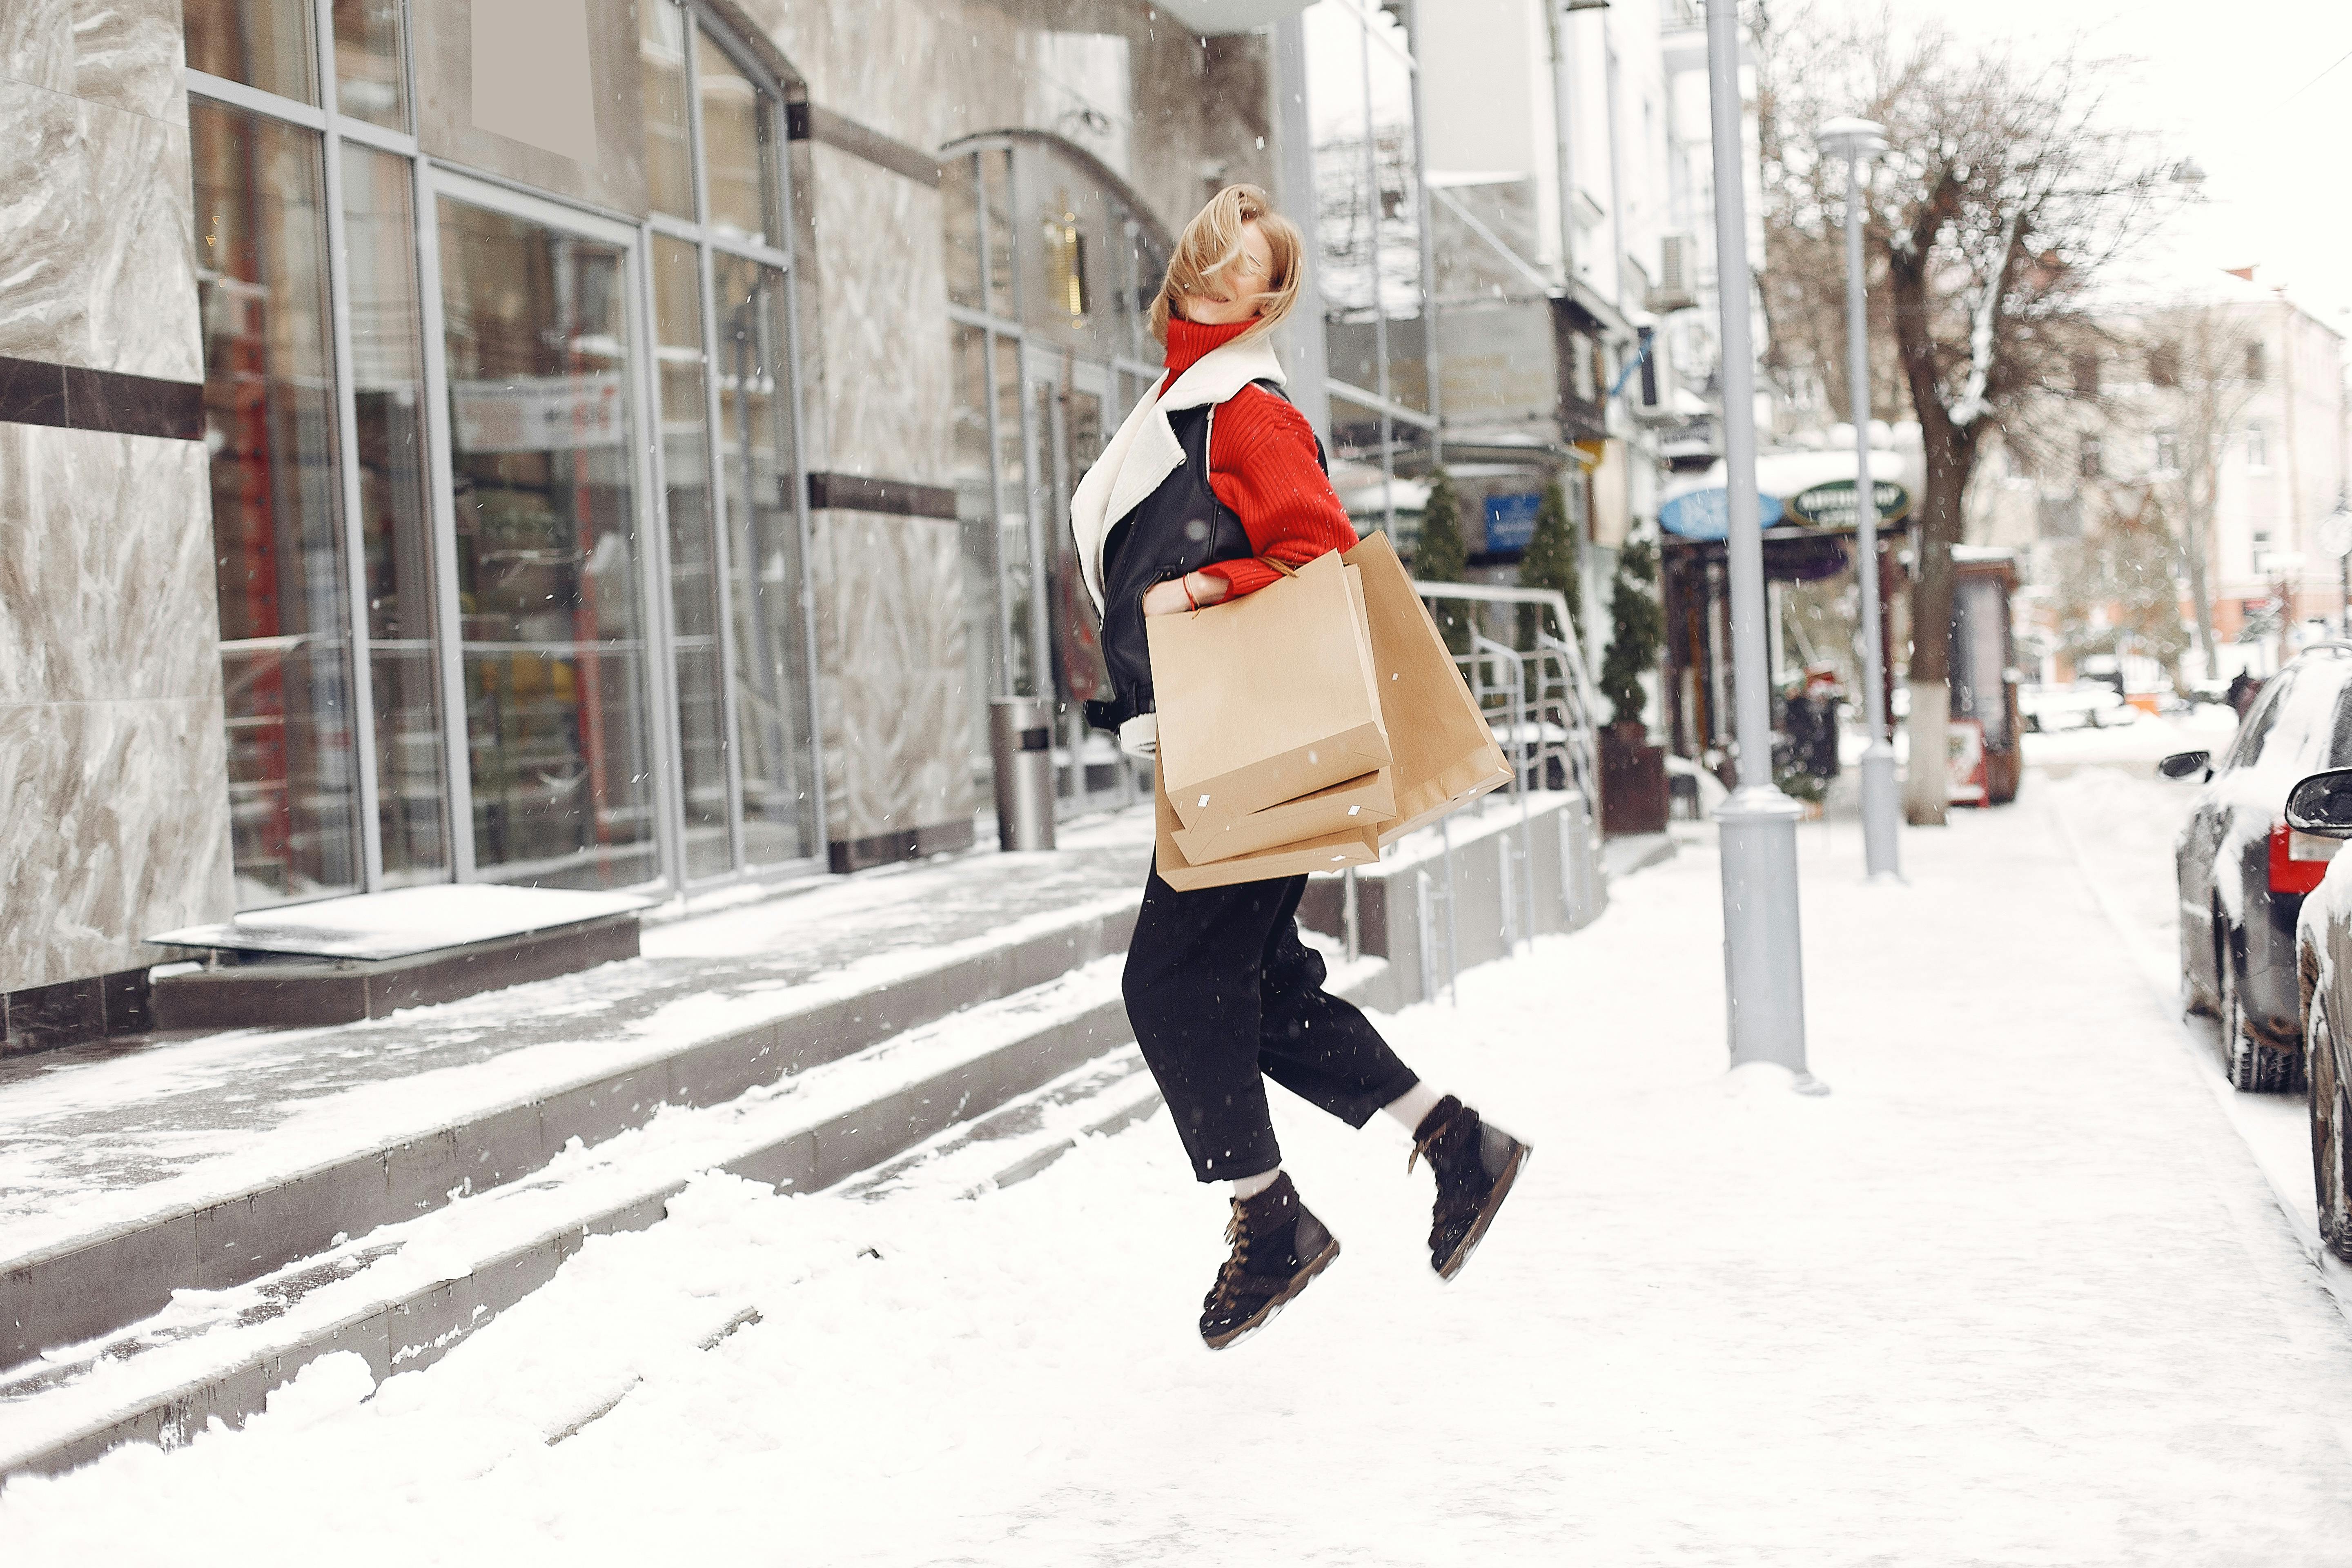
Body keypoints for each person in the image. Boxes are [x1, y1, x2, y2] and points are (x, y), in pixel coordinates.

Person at [1069, 185, 1530, 1351]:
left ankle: (1270, 1220)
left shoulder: (1247, 411)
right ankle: (1454, 1141)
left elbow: (1318, 547)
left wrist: (1206, 588)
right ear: (1192, 263)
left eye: (1265, 277)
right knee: (1261, 991)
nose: (1241, 285)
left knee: (1170, 985)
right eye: (1228, 261)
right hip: (1221, 749)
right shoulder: (1180, 403)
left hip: (1254, 753)